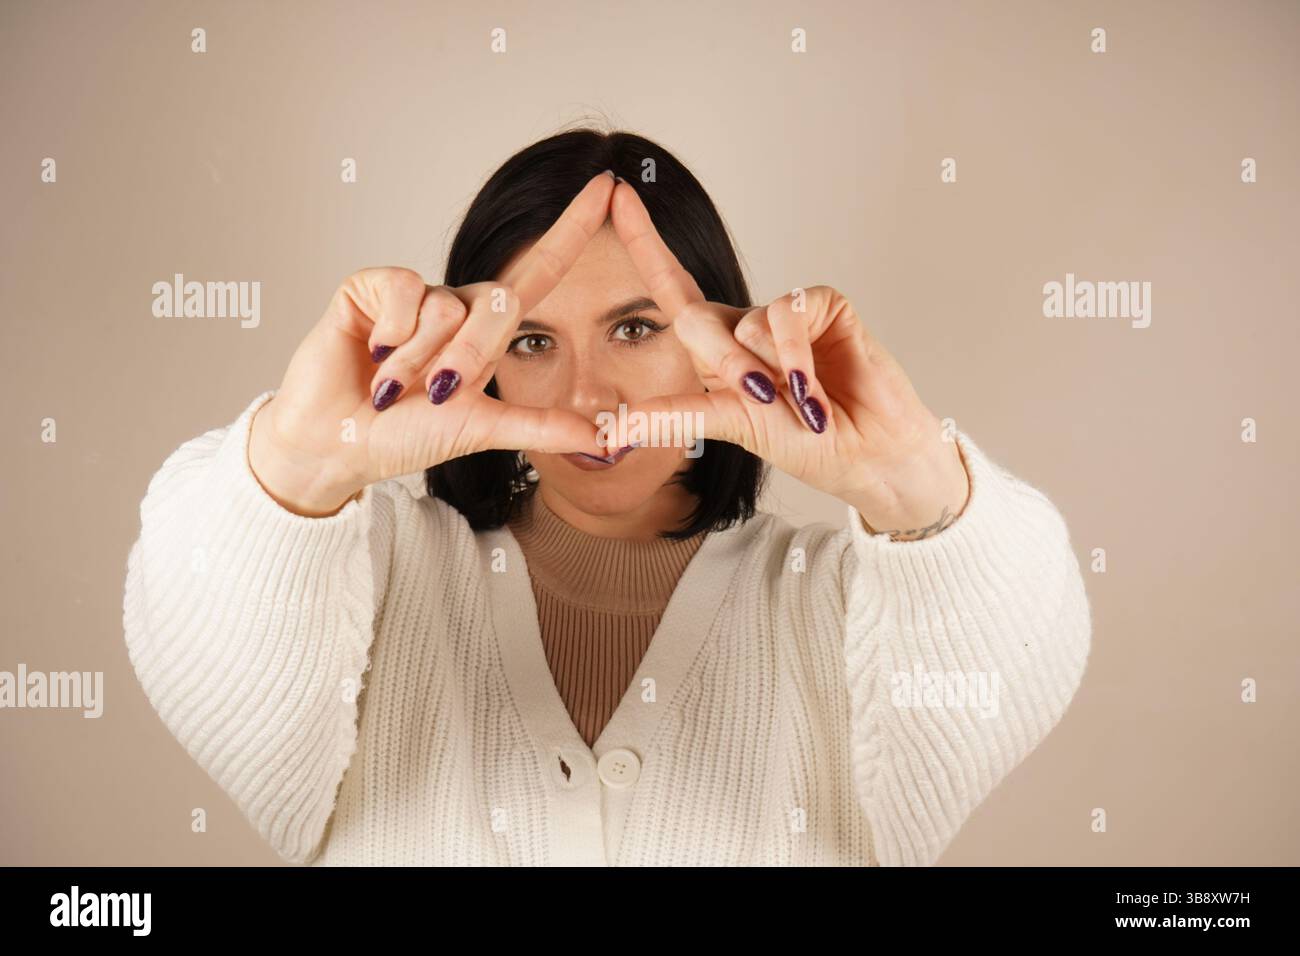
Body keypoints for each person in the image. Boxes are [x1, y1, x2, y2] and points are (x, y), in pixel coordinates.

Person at [122, 128, 1092, 866]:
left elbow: (1010, 674)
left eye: (634, 327)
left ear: (721, 328)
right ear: (483, 362)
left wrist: (912, 485)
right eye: (533, 342)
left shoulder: (839, 608)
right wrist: (296, 462)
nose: (590, 394)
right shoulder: (373, 573)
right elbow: (207, 667)